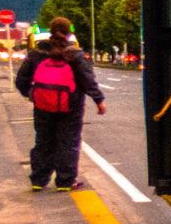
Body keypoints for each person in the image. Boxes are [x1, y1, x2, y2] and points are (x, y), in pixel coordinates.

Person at [15, 17, 106, 191]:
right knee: (68, 142)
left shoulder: (36, 54)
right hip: (71, 106)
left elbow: (21, 80)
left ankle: (38, 180)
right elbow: (88, 81)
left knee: (43, 141)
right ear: (69, 32)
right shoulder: (75, 54)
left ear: (50, 30)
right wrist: (98, 100)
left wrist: (31, 95)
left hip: (43, 106)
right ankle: (65, 181)